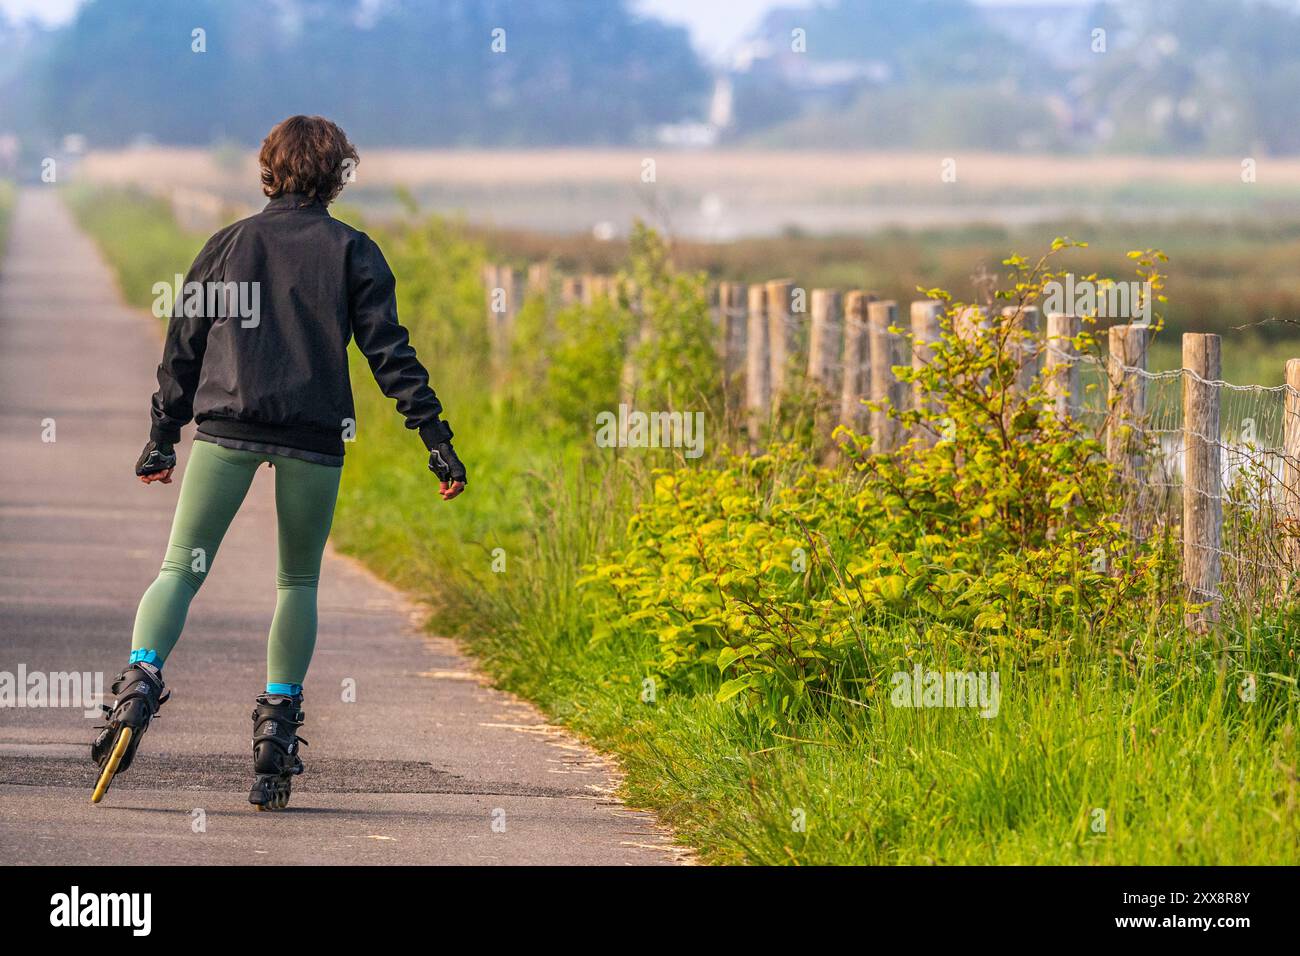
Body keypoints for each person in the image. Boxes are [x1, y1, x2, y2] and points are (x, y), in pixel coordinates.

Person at [90, 115, 467, 809]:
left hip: (227, 428)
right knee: (297, 580)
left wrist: (161, 434)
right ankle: (275, 732)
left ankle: (140, 683)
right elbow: (391, 356)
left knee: (180, 567)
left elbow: (184, 345)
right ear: (338, 175)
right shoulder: (354, 252)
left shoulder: (228, 244)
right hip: (313, 437)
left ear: (268, 169)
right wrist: (435, 439)